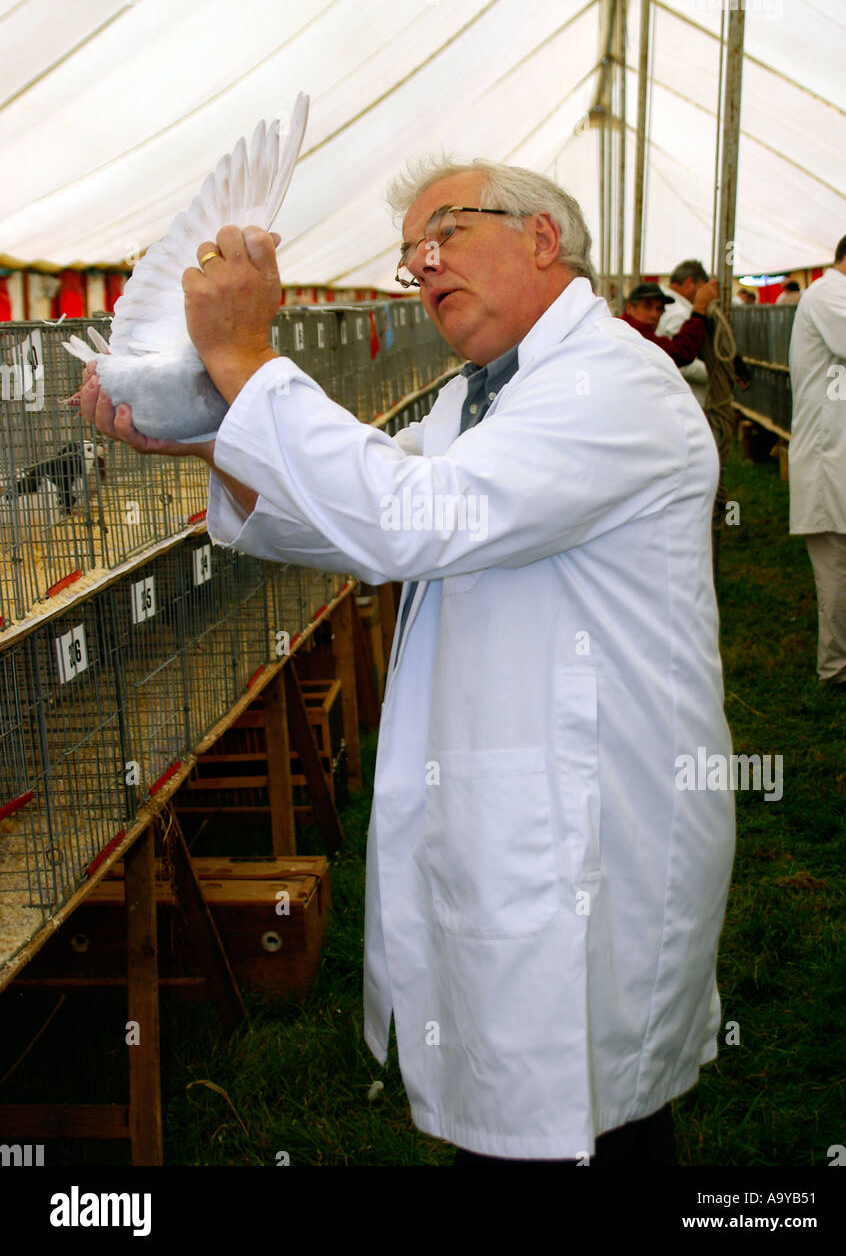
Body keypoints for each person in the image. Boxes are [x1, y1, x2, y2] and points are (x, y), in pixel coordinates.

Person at [78, 159, 736, 1164]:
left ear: (542, 238)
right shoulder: (481, 397)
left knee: (589, 1112)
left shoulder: (612, 383)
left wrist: (250, 362)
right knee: (540, 1110)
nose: (422, 269)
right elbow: (358, 523)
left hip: (589, 828)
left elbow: (409, 520)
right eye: (409, 258)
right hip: (522, 803)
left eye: (443, 237)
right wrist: (215, 439)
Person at [789, 229, 846, 692]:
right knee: (844, 569)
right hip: (829, 458)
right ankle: (838, 667)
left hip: (843, 453)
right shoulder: (829, 294)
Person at [657, 260, 720, 407]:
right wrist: (715, 373)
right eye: (703, 287)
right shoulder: (679, 312)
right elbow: (680, 361)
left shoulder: (664, 301)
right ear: (690, 282)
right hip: (684, 398)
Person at [621, 281, 711, 366]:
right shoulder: (636, 336)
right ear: (629, 308)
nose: (655, 315)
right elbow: (680, 352)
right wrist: (699, 310)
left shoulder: (620, 326)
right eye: (647, 307)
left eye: (659, 309)